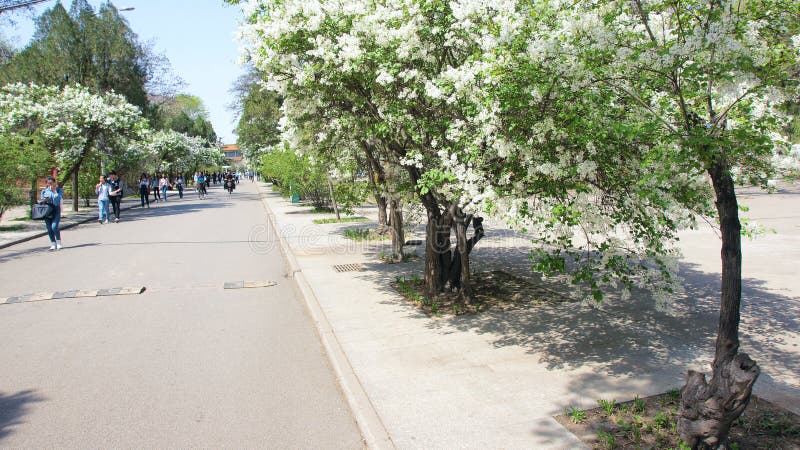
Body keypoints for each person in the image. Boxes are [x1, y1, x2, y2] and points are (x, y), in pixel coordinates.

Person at [40, 175, 63, 250]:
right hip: (47, 210)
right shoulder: (44, 191)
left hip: (56, 209)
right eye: (48, 183)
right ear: (46, 183)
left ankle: (59, 243)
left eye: (52, 183)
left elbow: (58, 199)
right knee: (49, 228)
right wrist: (44, 200)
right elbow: (41, 202)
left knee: (54, 226)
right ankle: (53, 243)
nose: (50, 185)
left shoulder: (59, 190)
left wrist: (54, 191)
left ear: (54, 183)